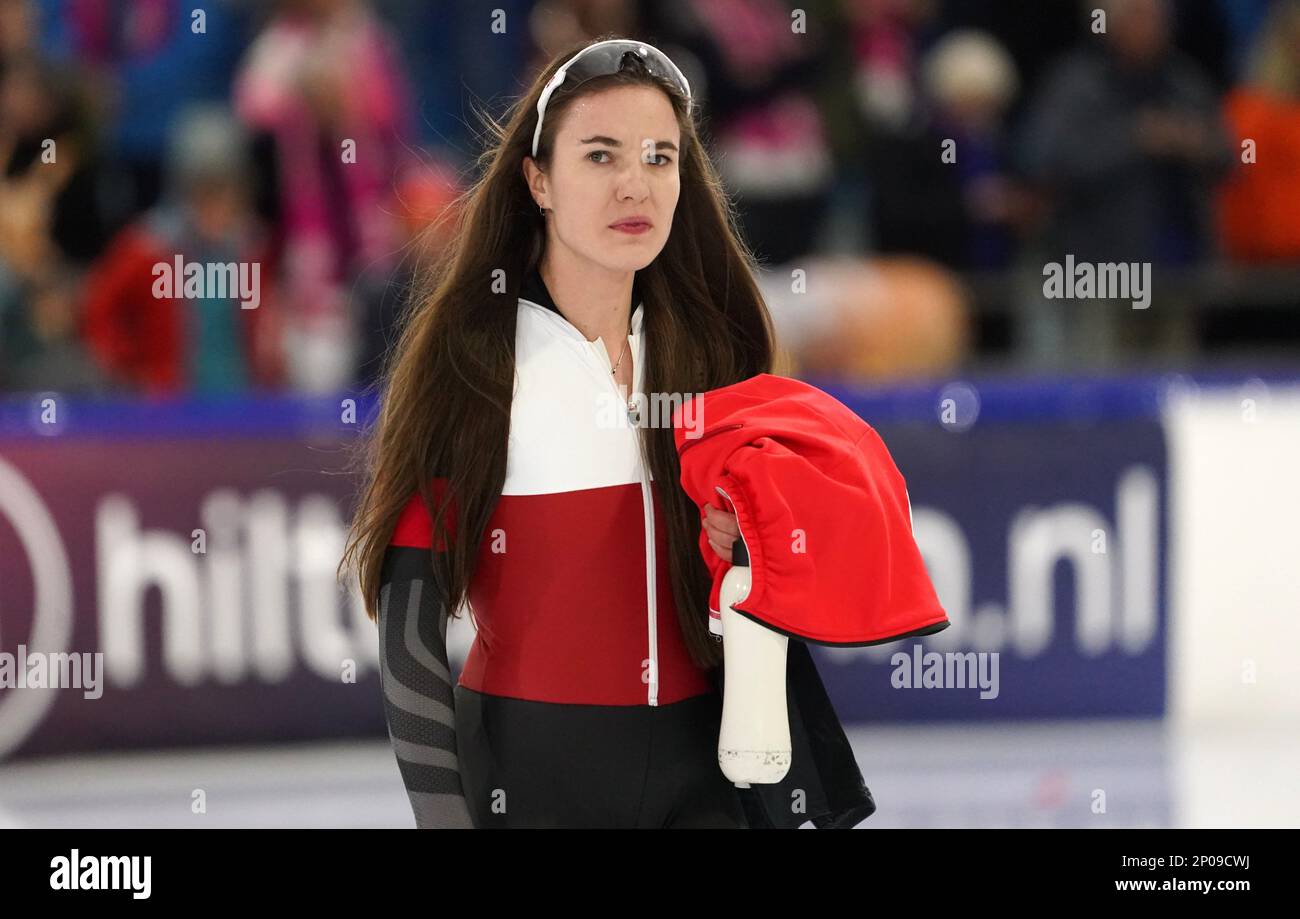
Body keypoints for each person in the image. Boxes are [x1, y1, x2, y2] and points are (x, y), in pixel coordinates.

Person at [338, 36, 777, 828]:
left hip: (704, 782)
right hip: (529, 784)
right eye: (601, 156)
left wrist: (745, 545)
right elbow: (411, 631)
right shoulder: (474, 362)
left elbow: (762, 585)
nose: (635, 185)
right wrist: (444, 818)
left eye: (659, 157)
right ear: (538, 179)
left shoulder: (715, 355)